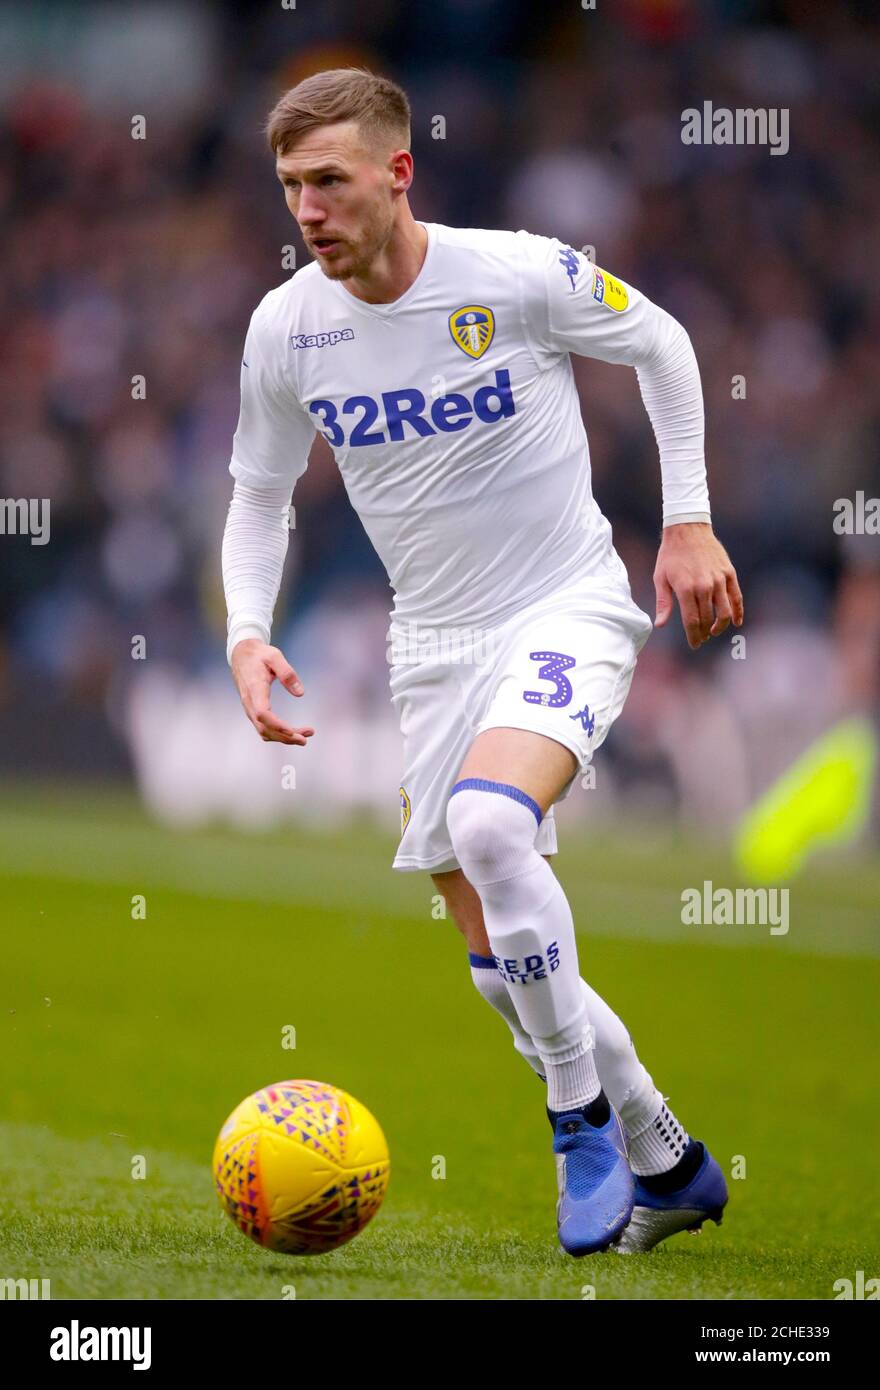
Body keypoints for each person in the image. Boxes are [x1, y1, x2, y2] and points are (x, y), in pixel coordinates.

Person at [221, 67, 742, 1255]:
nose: (306, 209)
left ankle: (578, 1124)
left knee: (498, 831)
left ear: (398, 175)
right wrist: (248, 632)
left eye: (331, 182)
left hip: (564, 604)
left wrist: (688, 518)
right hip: (435, 650)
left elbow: (658, 342)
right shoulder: (285, 327)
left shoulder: (510, 274)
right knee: (504, 969)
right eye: (292, 185)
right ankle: (667, 1155)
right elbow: (258, 495)